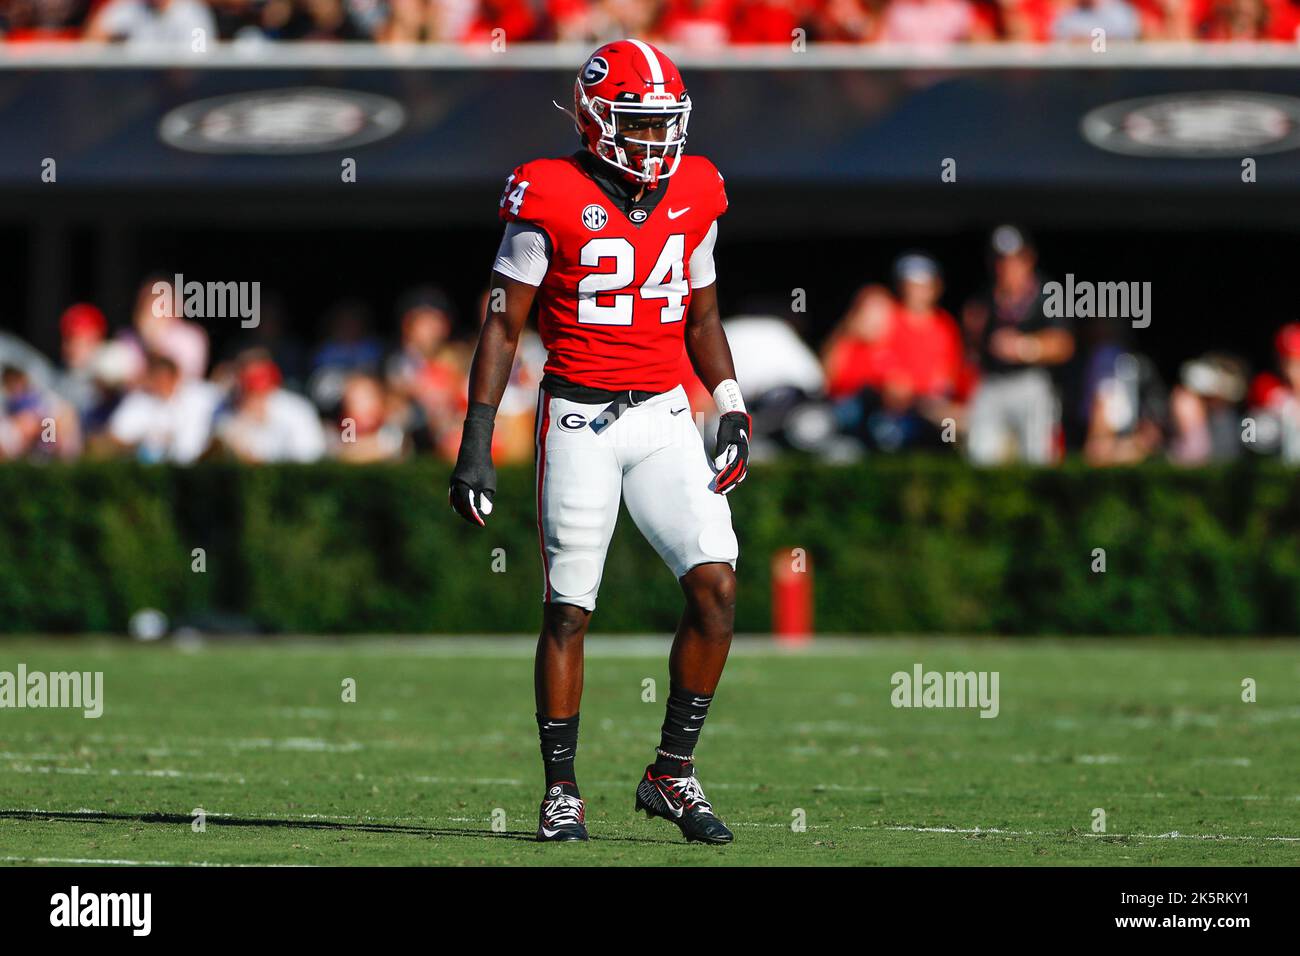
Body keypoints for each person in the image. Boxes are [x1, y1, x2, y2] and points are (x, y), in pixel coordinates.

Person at [449, 40, 747, 845]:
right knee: (570, 612)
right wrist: (477, 435)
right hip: (577, 418)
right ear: (595, 121)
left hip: (663, 417)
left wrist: (730, 403)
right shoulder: (546, 190)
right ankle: (561, 792)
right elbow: (504, 322)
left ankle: (672, 775)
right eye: (638, 124)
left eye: (663, 125)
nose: (656, 142)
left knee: (717, 589)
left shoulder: (697, 187)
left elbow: (704, 315)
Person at [963, 225, 1074, 465]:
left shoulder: (1047, 294)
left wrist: (1024, 347)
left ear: (1028, 259)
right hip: (993, 383)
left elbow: (1064, 345)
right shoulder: (985, 298)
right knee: (980, 454)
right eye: (1000, 260)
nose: (1007, 267)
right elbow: (971, 354)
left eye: (1014, 259)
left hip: (1030, 383)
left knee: (1037, 457)